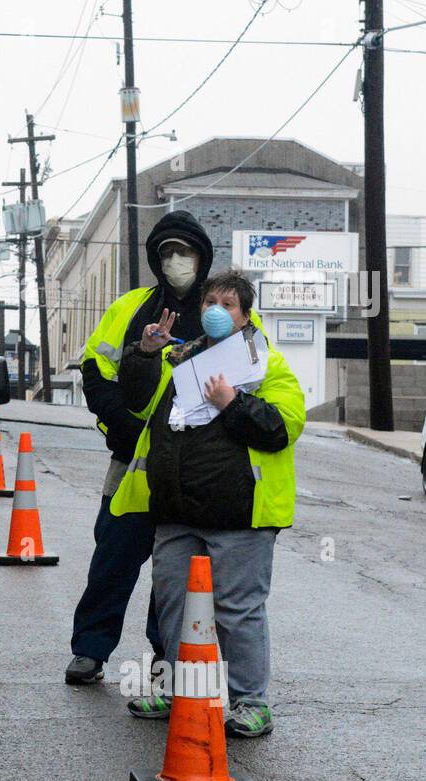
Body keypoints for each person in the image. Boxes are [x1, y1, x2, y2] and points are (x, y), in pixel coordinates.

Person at [111, 269, 305, 736]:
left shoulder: (266, 365)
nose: (216, 310)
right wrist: (144, 353)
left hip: (239, 515)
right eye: (209, 301)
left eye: (228, 303)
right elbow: (136, 402)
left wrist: (232, 402)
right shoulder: (181, 359)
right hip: (177, 513)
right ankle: (177, 688)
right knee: (172, 607)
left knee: (238, 612)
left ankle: (250, 702)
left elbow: (282, 428)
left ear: (245, 314)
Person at [66, 210, 213, 686]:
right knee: (113, 557)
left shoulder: (223, 315)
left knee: (177, 569)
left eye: (184, 252)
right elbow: (95, 369)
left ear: (202, 257)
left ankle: (164, 657)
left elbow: (251, 378)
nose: (176, 261)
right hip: (133, 462)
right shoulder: (131, 306)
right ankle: (90, 650)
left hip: (195, 468)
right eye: (167, 253)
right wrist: (128, 428)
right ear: (155, 259)